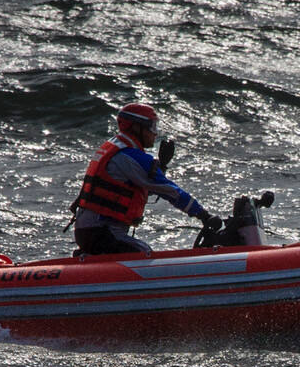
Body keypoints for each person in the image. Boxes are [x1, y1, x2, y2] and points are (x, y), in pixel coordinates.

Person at [71, 103, 214, 256]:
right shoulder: (130, 156)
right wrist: (203, 215)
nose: (155, 134)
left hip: (89, 231)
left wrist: (162, 166)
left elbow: (144, 188)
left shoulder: (114, 147)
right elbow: (170, 191)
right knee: (144, 254)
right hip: (103, 232)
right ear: (136, 128)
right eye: (152, 128)